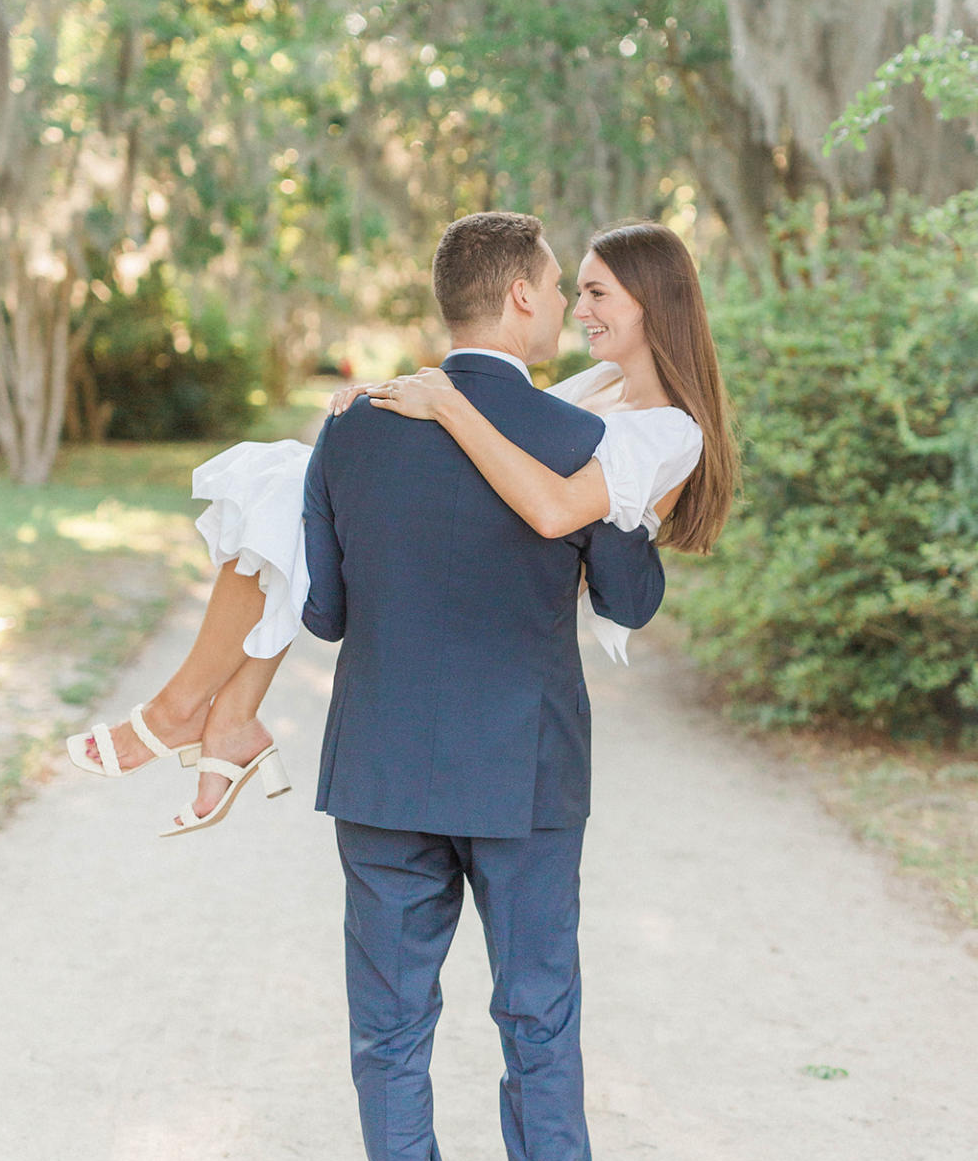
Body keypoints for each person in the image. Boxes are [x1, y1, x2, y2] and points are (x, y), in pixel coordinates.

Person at [300, 211, 670, 1161]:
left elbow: (325, 612)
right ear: (517, 297)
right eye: (558, 288)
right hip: (527, 774)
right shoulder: (578, 437)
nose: (564, 307)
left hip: (383, 773)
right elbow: (631, 599)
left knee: (388, 1032)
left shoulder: (350, 427)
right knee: (539, 1014)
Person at [66, 219, 736, 835]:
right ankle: (226, 719)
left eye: (596, 293)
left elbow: (554, 507)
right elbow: (505, 413)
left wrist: (442, 403)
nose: (579, 309)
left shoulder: (672, 430)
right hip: (494, 538)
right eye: (576, 290)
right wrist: (385, 403)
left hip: (528, 573)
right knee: (284, 489)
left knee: (288, 492)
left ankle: (184, 714)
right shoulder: (599, 387)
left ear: (653, 300)